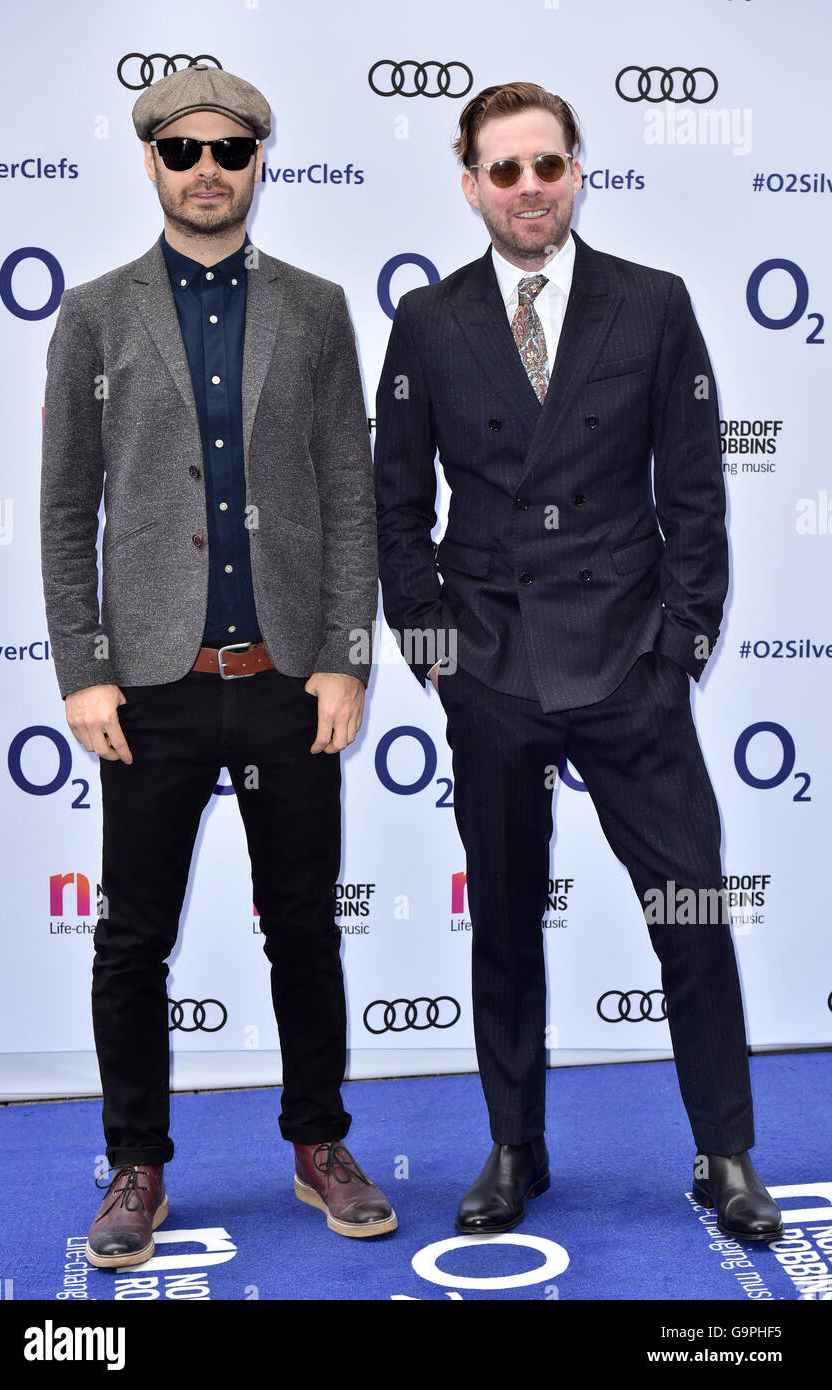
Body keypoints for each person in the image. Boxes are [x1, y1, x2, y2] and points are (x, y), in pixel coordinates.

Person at [374, 81, 782, 1240]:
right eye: (504, 172)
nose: (529, 189)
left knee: (693, 910)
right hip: (494, 669)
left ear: (576, 171)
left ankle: (727, 1152)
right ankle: (514, 1146)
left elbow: (695, 494)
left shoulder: (652, 306)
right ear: (471, 187)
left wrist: (678, 648)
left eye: (546, 165)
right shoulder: (429, 321)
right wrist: (440, 660)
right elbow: (397, 511)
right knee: (503, 920)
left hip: (629, 667)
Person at [40, 64, 396, 1267]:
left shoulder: (318, 307)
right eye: (183, 149)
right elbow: (61, 507)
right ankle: (136, 1164)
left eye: (229, 149)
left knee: (304, 925)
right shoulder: (92, 313)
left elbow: (352, 495)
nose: (206, 169)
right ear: (150, 161)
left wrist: (345, 658)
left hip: (289, 680)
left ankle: (319, 1146)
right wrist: (83, 667)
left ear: (259, 162)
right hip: (149, 686)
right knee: (132, 938)